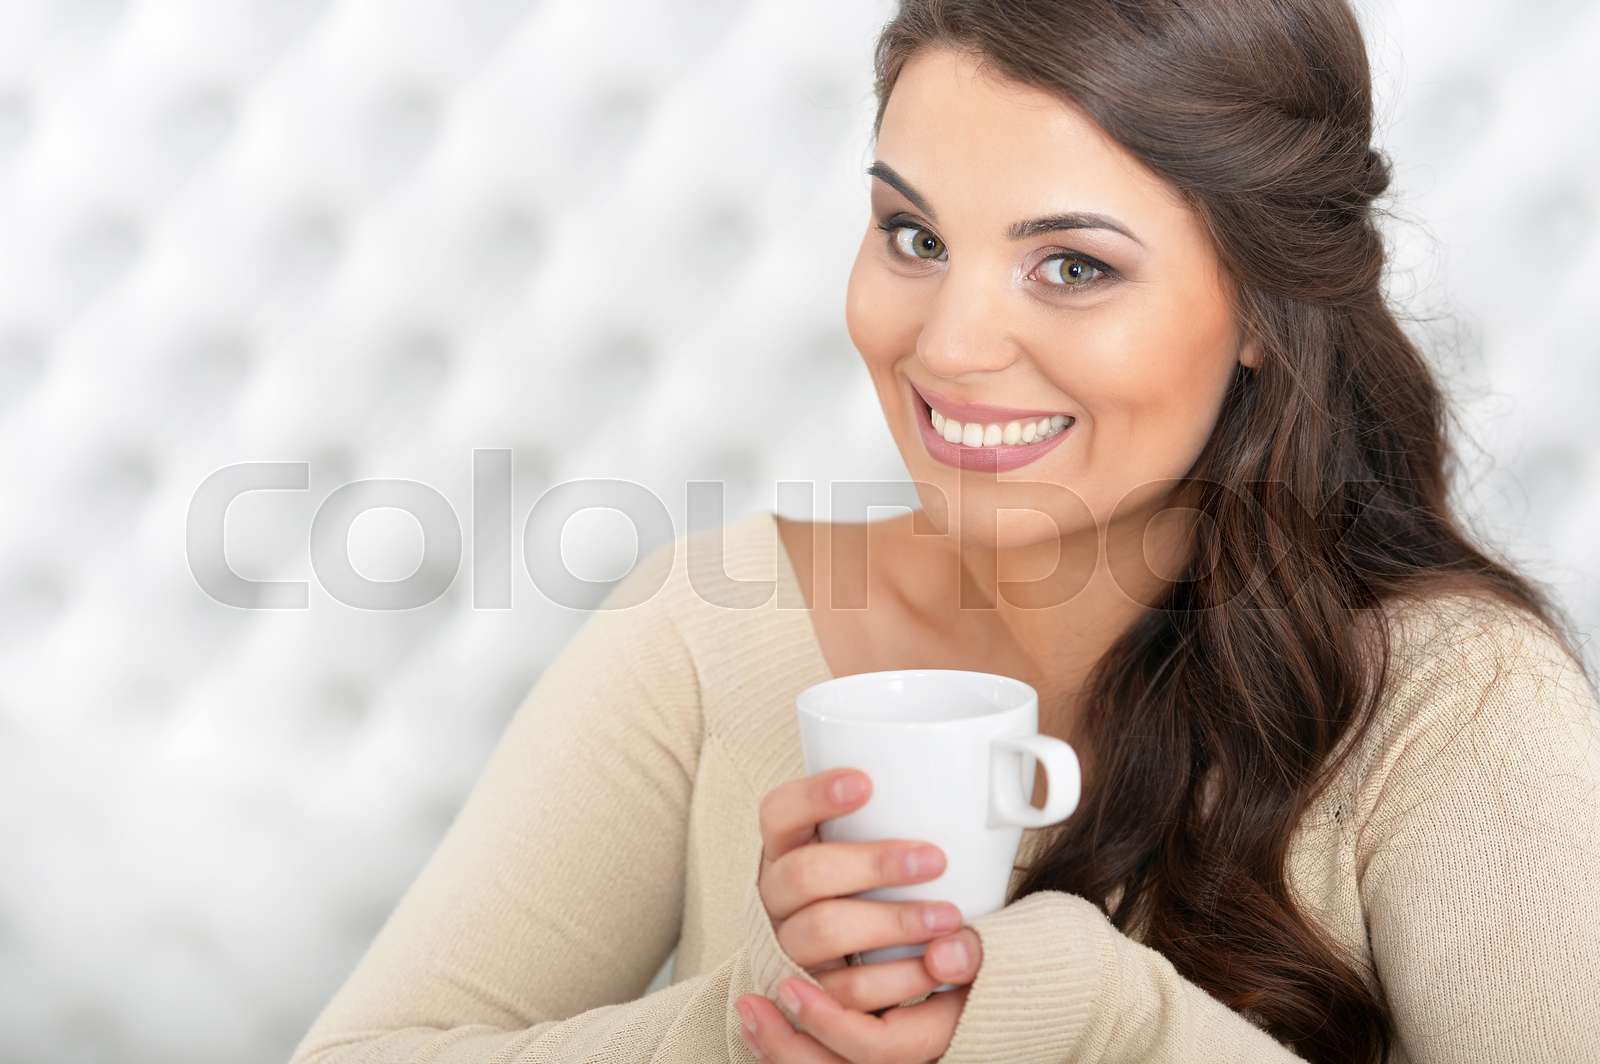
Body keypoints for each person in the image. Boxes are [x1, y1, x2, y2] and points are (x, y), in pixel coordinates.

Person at [288, 2, 1600, 1062]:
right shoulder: (709, 624)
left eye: (1073, 265)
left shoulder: (1450, 698)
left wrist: (1083, 1017)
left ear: (1262, 308)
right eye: (912, 235)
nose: (950, 344)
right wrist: (752, 1034)